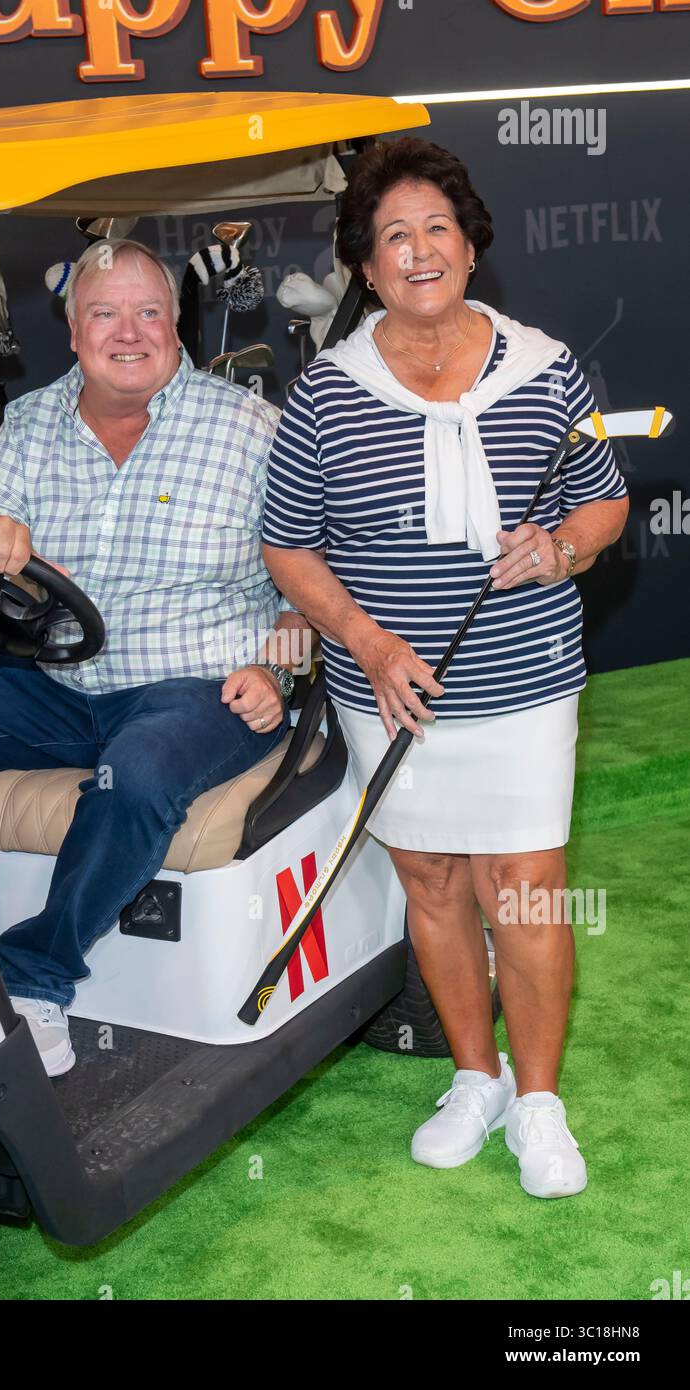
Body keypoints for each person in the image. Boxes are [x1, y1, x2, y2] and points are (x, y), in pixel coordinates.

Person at [261, 138, 629, 1200]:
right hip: (391, 692)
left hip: (523, 683)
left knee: (523, 889)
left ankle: (539, 1100)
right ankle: (476, 1075)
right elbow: (288, 543)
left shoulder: (543, 365)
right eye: (391, 238)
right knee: (428, 879)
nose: (418, 250)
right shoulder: (325, 393)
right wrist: (368, 645)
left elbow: (601, 497)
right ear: (365, 271)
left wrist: (562, 547)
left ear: (467, 247)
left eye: (436, 228)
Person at [0, 238, 308, 1077]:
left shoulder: (249, 426)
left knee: (136, 774)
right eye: (106, 313)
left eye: (149, 312)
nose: (129, 332)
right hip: (56, 678)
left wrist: (278, 671)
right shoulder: (31, 423)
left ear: (175, 327)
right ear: (73, 329)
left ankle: (35, 983)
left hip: (199, 688)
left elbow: (306, 579)